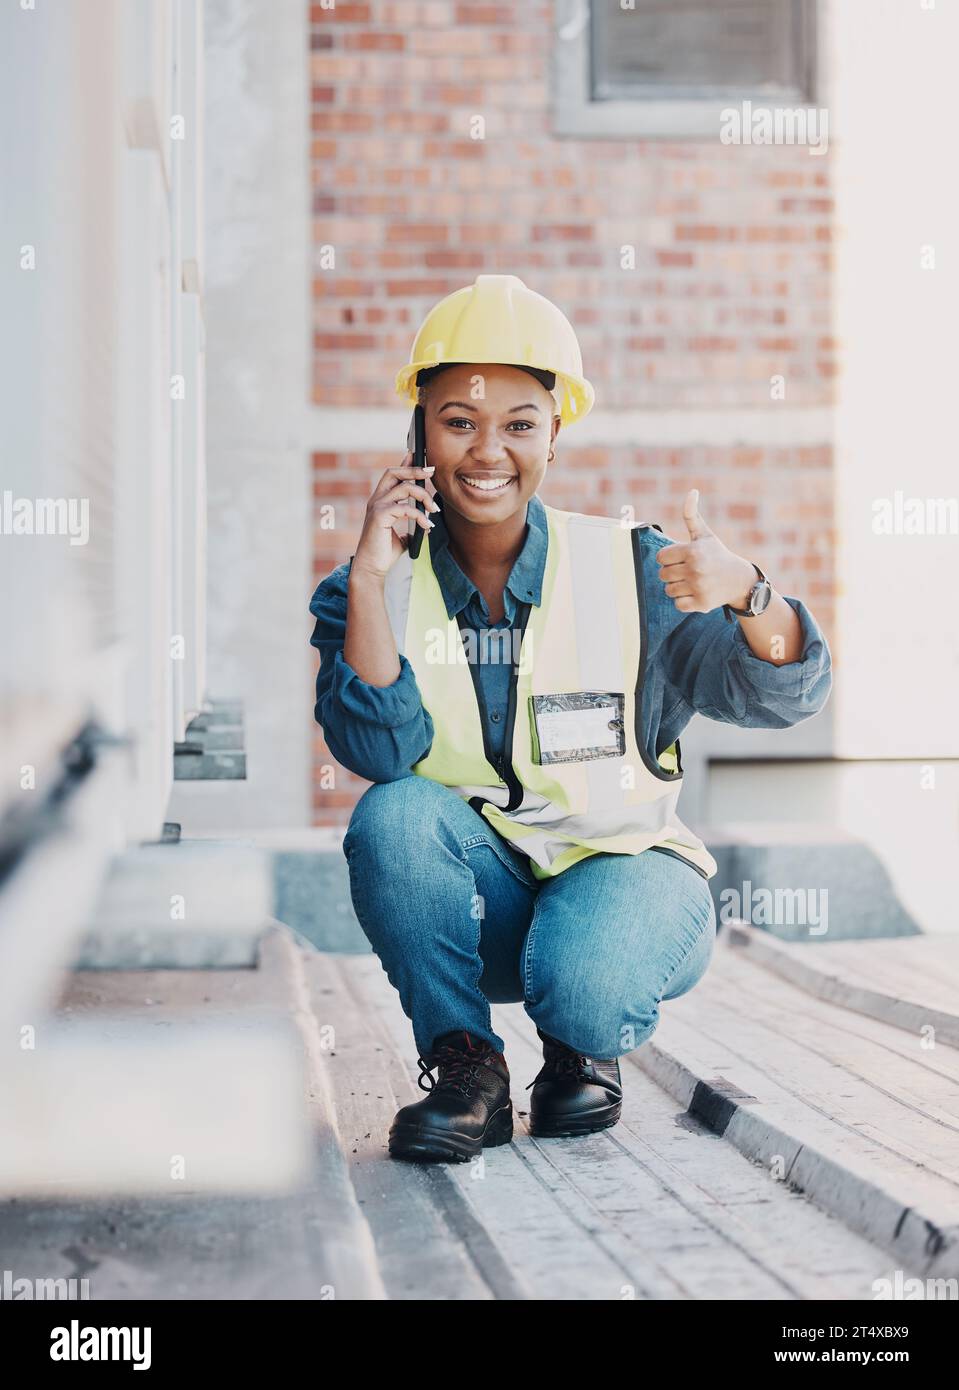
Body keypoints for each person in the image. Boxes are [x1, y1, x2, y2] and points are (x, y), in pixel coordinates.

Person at [308, 274, 832, 1164]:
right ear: (419, 433)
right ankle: (466, 1066)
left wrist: (748, 592)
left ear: (554, 433)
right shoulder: (372, 588)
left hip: (625, 878)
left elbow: (780, 695)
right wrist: (365, 578)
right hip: (484, 901)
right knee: (391, 815)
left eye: (518, 422)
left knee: (586, 985)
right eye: (458, 420)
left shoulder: (630, 566)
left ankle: (579, 1045)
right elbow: (377, 749)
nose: (487, 449)